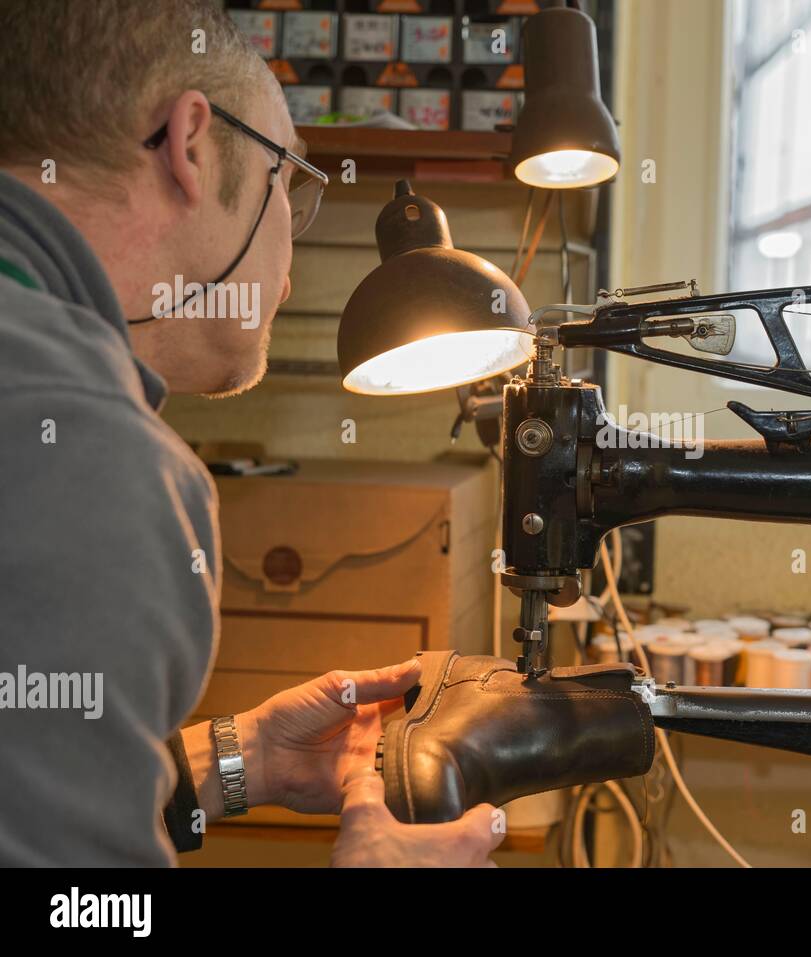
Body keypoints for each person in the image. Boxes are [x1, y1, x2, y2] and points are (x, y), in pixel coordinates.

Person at [0, 0, 502, 866]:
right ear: (190, 142)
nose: (289, 249)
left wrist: (242, 760)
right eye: (287, 180)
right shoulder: (92, 458)